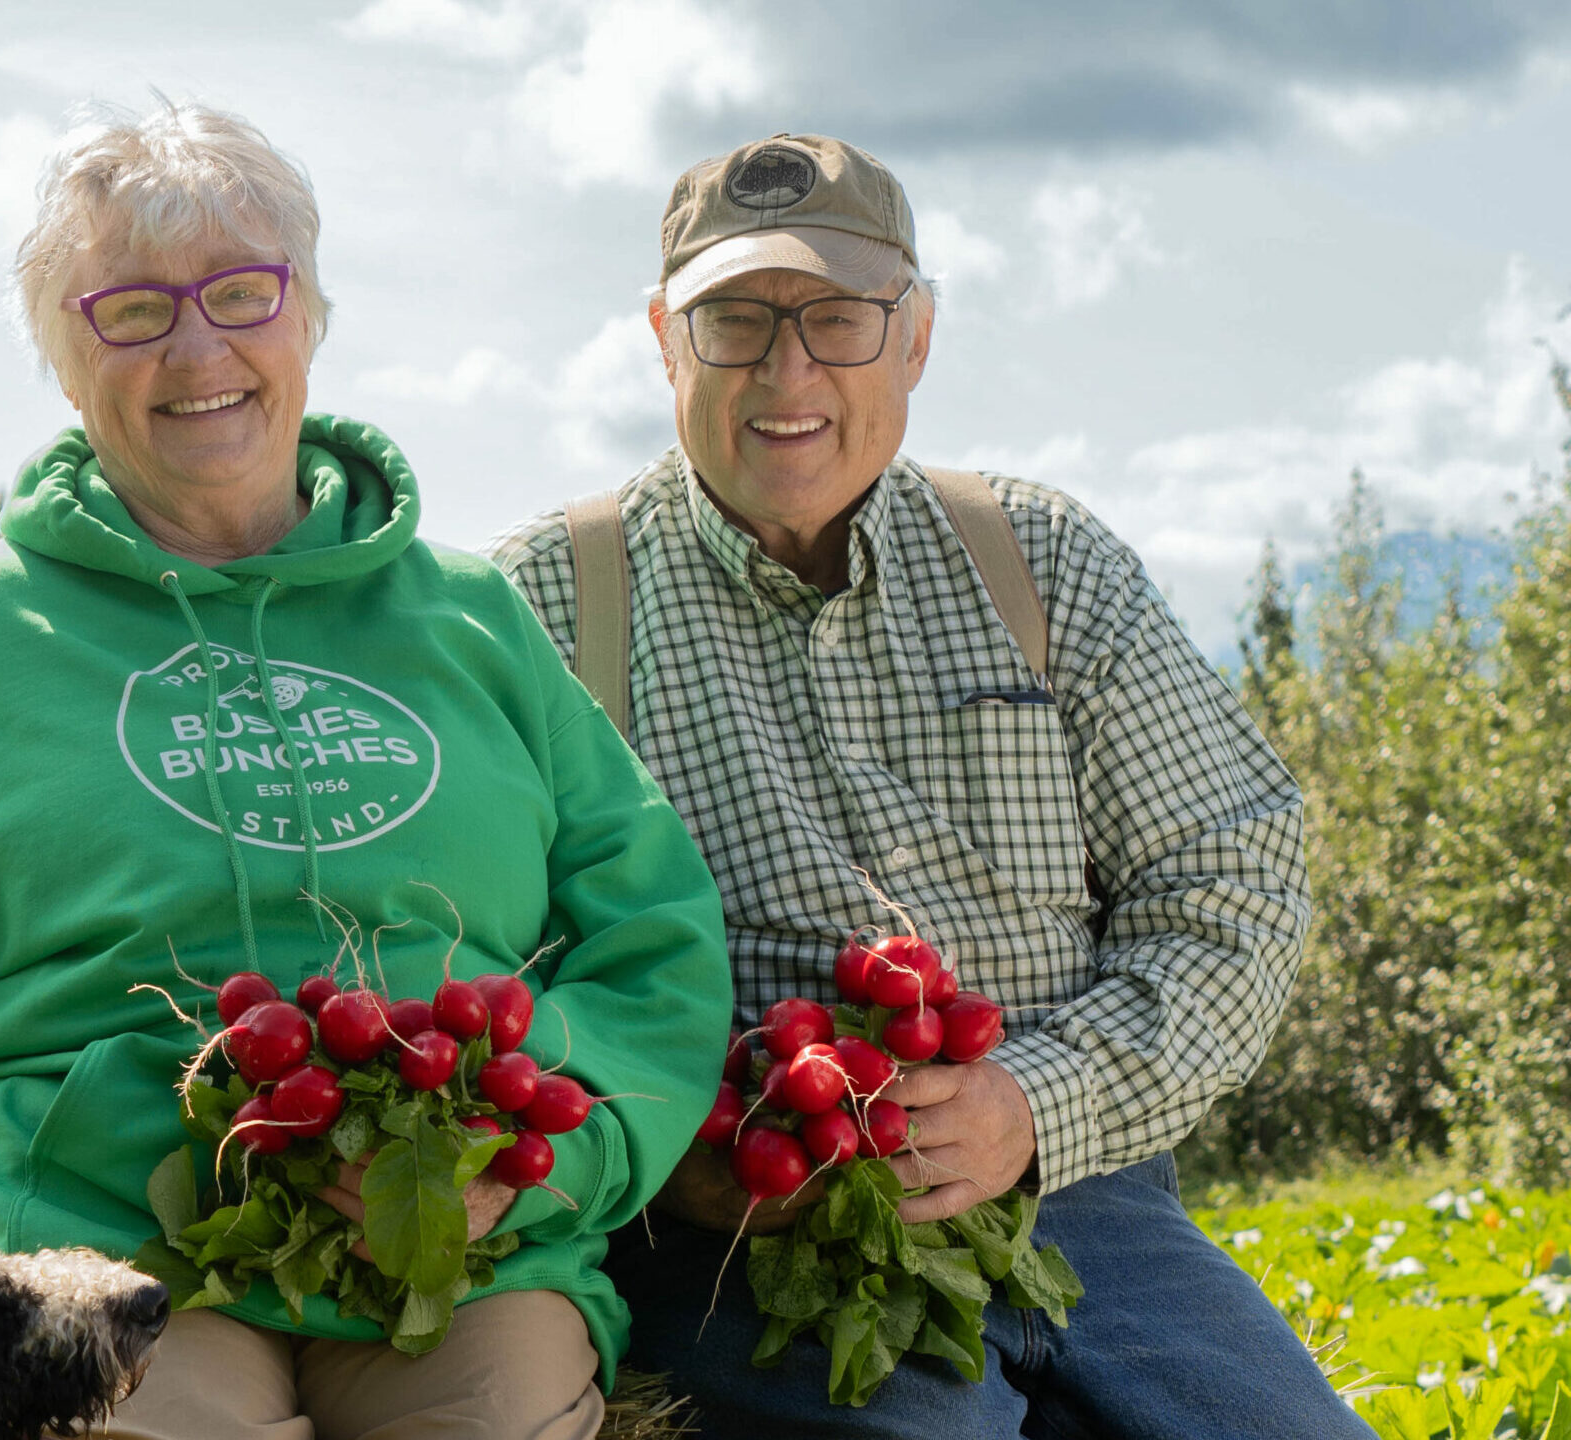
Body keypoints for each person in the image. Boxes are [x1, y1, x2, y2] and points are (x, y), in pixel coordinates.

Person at [0, 101, 733, 1440]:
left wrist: (536, 1166)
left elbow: (653, 939)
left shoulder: (472, 619)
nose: (200, 347)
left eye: (243, 292)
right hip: (86, 1237)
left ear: (309, 314)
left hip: (456, 1258)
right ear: (68, 362)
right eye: (131, 310)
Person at [488, 133, 1375, 1437]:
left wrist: (1032, 1103)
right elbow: (473, 964)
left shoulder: (1045, 564)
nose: (788, 372)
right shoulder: (549, 605)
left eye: (839, 320)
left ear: (917, 340)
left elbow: (1229, 884)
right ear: (665, 343)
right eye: (734, 323)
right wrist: (668, 1149)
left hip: (1089, 1197)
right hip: (747, 1223)